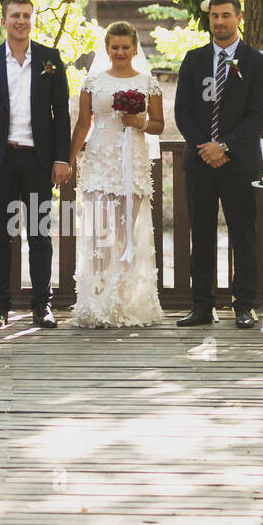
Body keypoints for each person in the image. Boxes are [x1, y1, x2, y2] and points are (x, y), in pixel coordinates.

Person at [0, 0, 71, 328]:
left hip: (39, 162)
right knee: (0, 236)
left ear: (33, 21)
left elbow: (62, 114)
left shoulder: (50, 59)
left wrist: (61, 158)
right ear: (3, 21)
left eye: (27, 16)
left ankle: (41, 305)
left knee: (39, 235)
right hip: (1, 160)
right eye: (15, 15)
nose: (21, 21)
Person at [173, 0, 263, 329]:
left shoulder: (257, 61)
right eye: (214, 16)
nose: (220, 22)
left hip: (239, 163)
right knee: (200, 235)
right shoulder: (194, 59)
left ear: (239, 18)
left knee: (242, 235)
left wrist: (225, 147)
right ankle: (202, 306)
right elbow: (182, 110)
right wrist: (205, 147)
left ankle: (243, 305)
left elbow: (258, 115)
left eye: (226, 16)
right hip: (199, 162)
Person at [67, 21, 165, 328]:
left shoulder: (148, 82)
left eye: (125, 47)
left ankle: (121, 303)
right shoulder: (92, 81)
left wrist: (140, 123)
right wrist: (68, 161)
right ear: (106, 49)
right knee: (99, 234)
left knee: (124, 237)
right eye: (114, 47)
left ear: (135, 48)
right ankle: (96, 302)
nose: (120, 52)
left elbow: (159, 125)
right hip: (99, 161)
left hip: (131, 162)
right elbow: (84, 124)